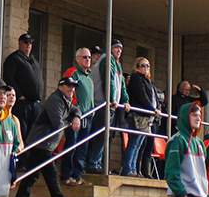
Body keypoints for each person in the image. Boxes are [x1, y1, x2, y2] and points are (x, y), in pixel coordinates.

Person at [12, 75, 83, 197]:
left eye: (73, 87)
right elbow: (58, 123)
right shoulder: (55, 100)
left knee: (31, 177)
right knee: (51, 177)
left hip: (45, 145)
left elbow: (75, 109)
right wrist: (71, 121)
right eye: (69, 86)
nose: (72, 89)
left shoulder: (65, 100)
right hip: (41, 144)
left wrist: (76, 116)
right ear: (60, 87)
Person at [88, 40, 127, 175]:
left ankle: (99, 163)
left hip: (111, 105)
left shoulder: (117, 64)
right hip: (102, 103)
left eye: (120, 48)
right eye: (116, 47)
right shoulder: (107, 60)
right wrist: (111, 99)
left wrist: (125, 100)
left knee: (105, 136)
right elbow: (108, 80)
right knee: (100, 135)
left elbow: (121, 85)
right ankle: (93, 163)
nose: (119, 50)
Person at [63, 47, 96, 184]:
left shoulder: (88, 77)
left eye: (89, 57)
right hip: (75, 116)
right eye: (84, 57)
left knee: (82, 148)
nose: (88, 59)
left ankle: (77, 175)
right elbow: (68, 94)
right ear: (77, 59)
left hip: (88, 117)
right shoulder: (73, 73)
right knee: (72, 145)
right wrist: (75, 112)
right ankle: (67, 175)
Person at [2, 32, 44, 135]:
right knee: (22, 132)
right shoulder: (13, 59)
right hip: (22, 104)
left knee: (35, 133)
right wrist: (19, 95)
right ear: (20, 43)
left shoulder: (34, 61)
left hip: (35, 103)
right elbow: (9, 78)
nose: (28, 45)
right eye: (26, 42)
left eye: (30, 43)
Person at [122, 56, 156, 177]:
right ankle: (128, 169)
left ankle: (134, 169)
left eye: (148, 66)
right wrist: (152, 109)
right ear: (137, 67)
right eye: (143, 65)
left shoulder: (147, 80)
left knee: (139, 144)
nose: (146, 68)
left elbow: (152, 98)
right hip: (138, 115)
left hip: (146, 117)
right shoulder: (136, 78)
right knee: (134, 143)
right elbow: (142, 96)